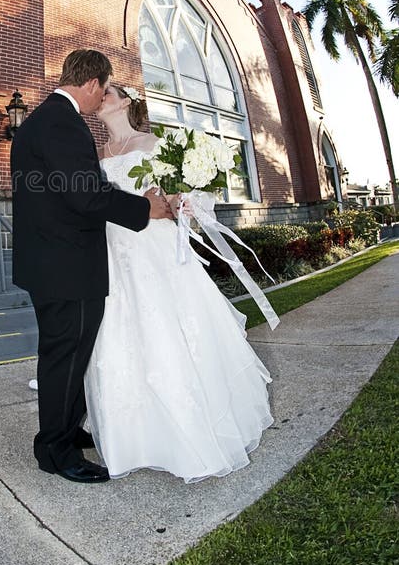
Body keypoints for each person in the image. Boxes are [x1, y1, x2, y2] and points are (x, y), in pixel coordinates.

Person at [84, 84, 273, 483]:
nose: (101, 97)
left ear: (126, 101)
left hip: (155, 247)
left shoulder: (154, 144)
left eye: (109, 92)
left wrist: (182, 203)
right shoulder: (95, 155)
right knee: (122, 333)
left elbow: (176, 200)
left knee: (169, 330)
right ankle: (133, 440)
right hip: (113, 253)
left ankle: (192, 435)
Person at [10, 50, 173, 484]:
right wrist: (146, 209)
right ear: (91, 83)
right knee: (64, 357)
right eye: (101, 89)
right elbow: (87, 196)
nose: (100, 98)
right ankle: (55, 451)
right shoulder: (64, 123)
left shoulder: (38, 122)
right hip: (67, 267)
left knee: (67, 354)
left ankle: (65, 428)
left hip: (51, 263)